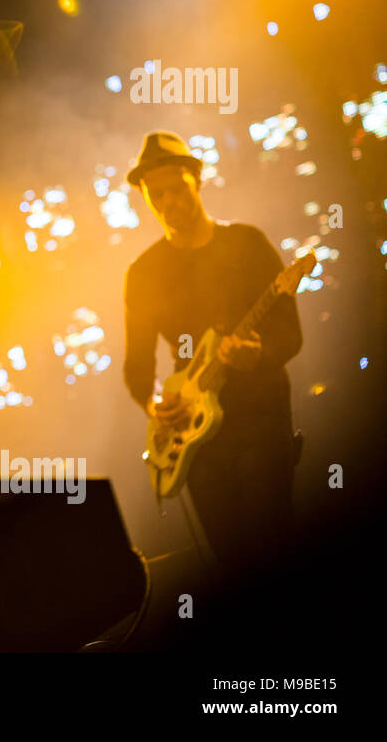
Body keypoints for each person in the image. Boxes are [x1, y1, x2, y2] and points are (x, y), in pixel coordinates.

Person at [122, 131, 302, 579]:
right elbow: (137, 364)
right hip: (198, 441)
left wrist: (257, 356)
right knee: (230, 559)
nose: (167, 201)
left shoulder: (247, 243)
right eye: (155, 193)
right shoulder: (142, 274)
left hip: (261, 421)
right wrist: (152, 403)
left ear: (197, 182)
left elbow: (290, 334)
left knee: (273, 549)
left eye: (176, 188)